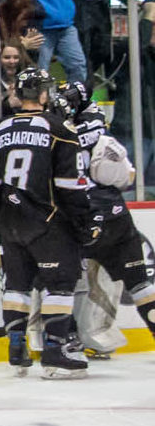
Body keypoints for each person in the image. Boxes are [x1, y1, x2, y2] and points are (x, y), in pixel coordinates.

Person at [0, 68, 91, 378]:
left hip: (10, 221)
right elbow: (69, 184)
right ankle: (54, 351)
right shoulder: (60, 129)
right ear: (43, 94)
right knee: (59, 284)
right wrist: (83, 221)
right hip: (49, 221)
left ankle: (16, 348)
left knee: (17, 284)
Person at [54, 82, 155, 351]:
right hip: (115, 214)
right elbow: (126, 176)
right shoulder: (98, 122)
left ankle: (68, 340)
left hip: (78, 214)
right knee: (140, 282)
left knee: (61, 283)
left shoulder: (56, 131)